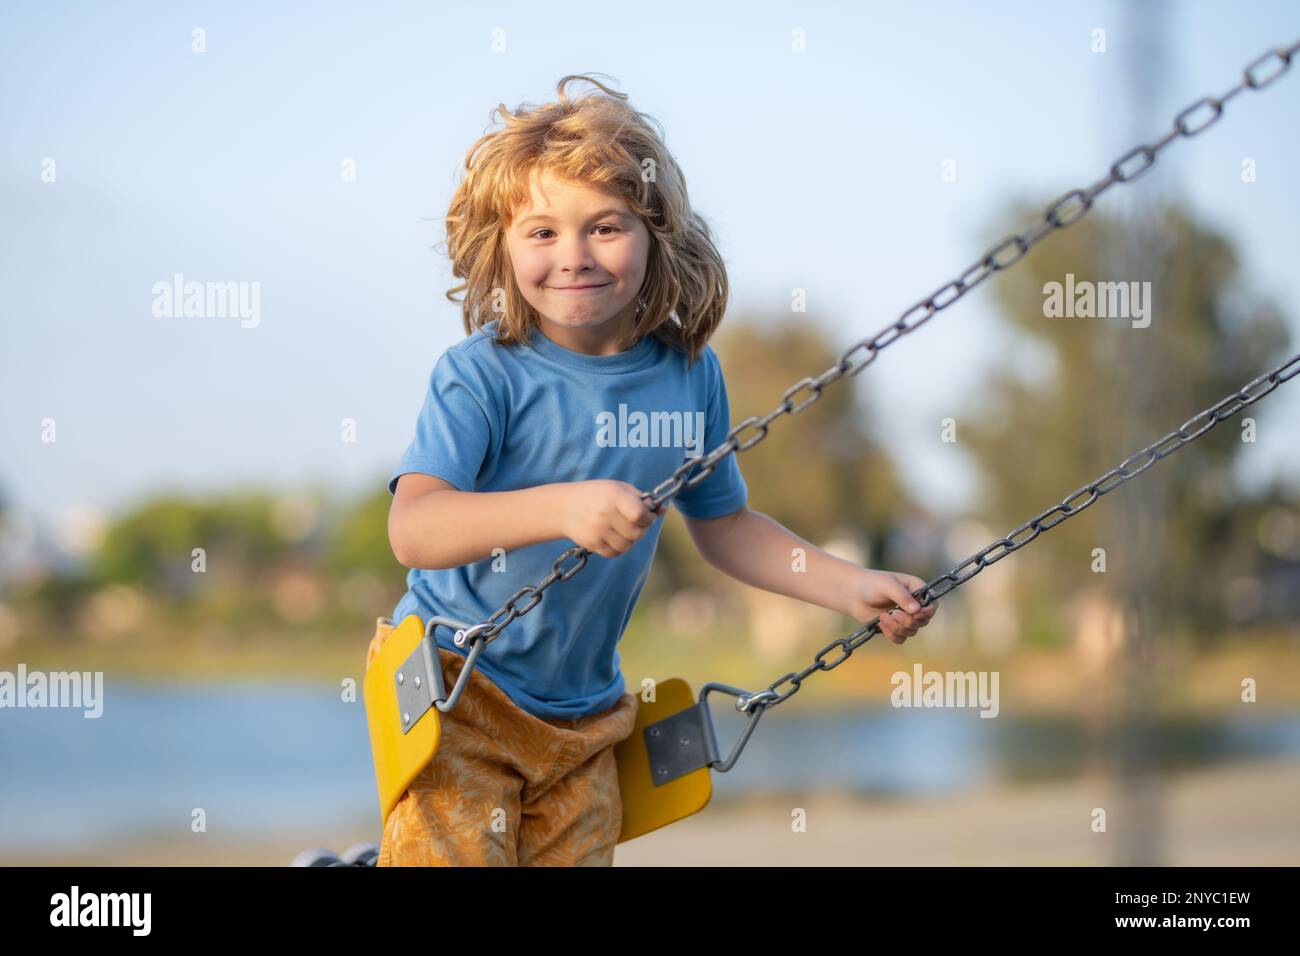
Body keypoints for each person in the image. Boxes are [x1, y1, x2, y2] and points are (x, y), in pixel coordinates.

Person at [372, 74, 936, 867]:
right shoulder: (481, 375)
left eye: (604, 227)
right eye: (540, 233)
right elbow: (415, 528)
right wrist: (561, 508)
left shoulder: (688, 374)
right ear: (501, 244)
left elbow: (726, 525)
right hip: (458, 687)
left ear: (655, 231)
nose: (573, 257)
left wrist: (846, 585)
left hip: (584, 713)